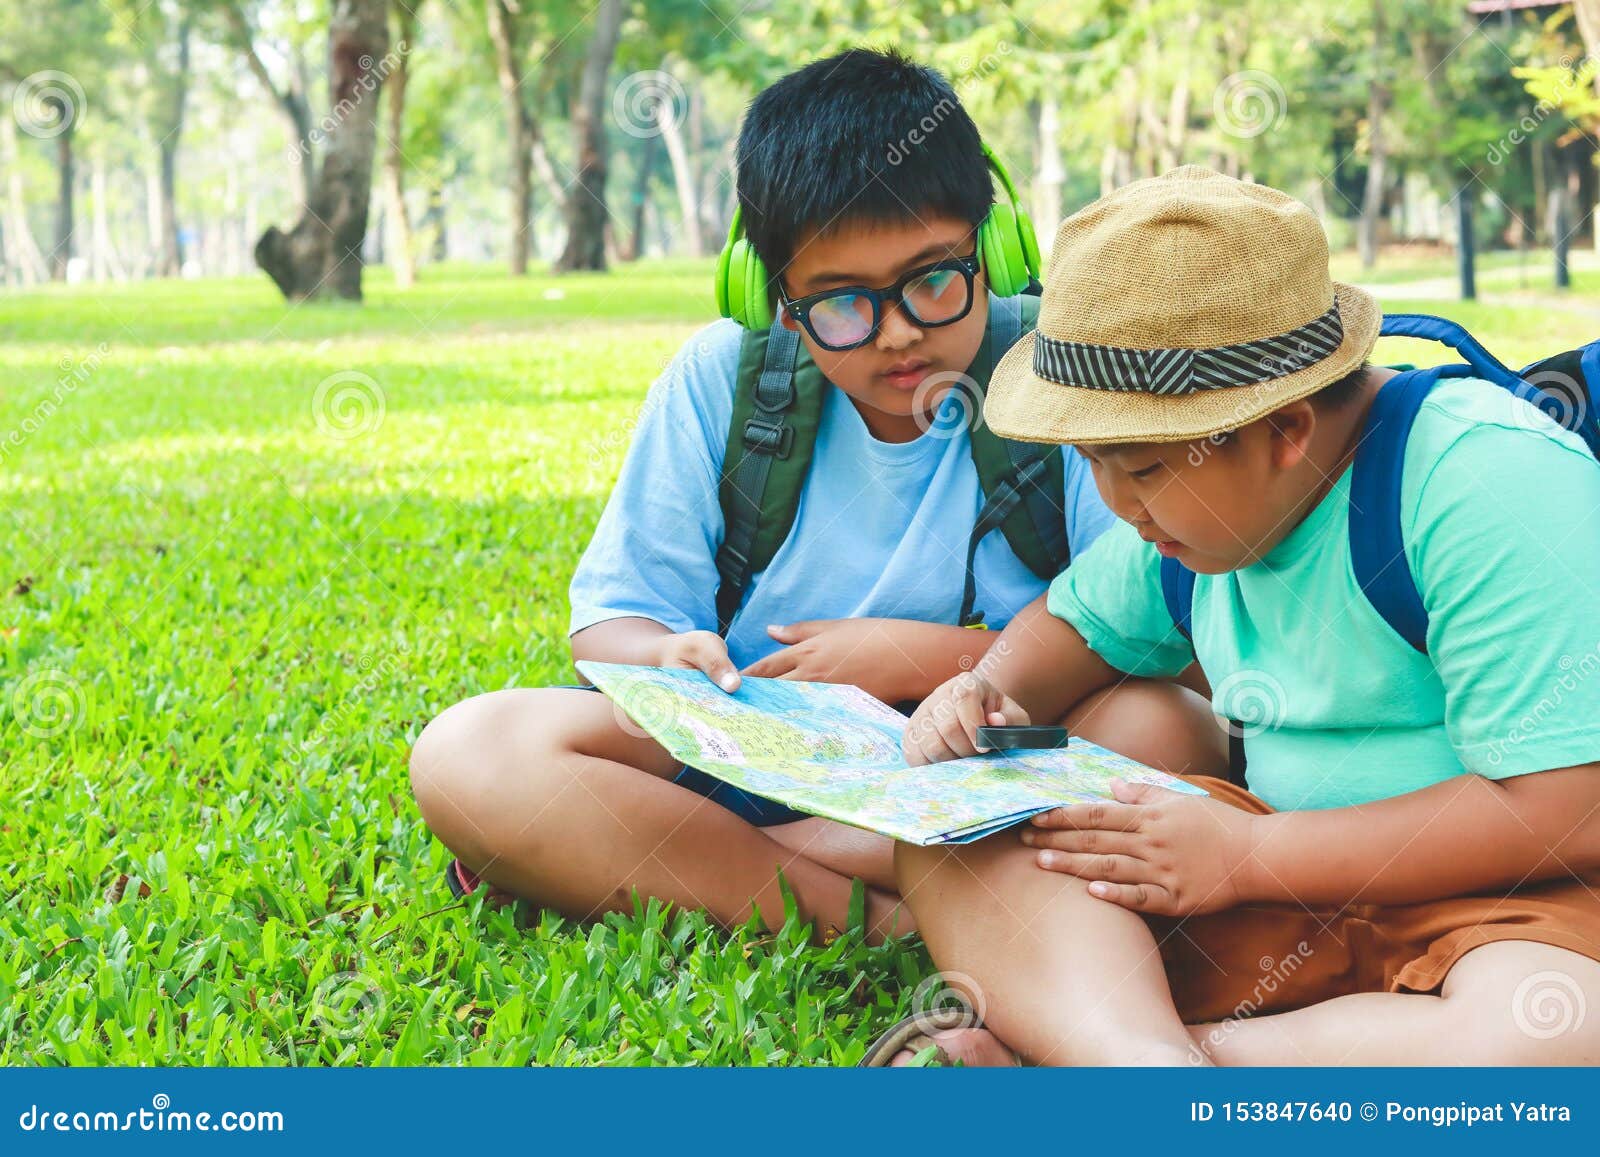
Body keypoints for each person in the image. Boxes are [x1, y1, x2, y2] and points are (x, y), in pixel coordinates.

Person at [408, 50, 1220, 947]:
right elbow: (613, 624)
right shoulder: (724, 379)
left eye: (934, 280)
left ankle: (706, 865)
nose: (899, 333)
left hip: (986, 758)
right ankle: (890, 916)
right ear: (776, 300)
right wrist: (665, 652)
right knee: (472, 750)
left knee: (1165, 727)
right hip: (756, 756)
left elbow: (1158, 646)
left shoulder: (1061, 374)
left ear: (995, 249)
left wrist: (915, 659)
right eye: (841, 304)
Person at [884, 166, 1600, 1065]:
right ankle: (1151, 1068)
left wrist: (1252, 856)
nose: (1118, 504)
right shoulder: (1185, 528)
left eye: (1143, 470)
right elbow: (1071, 628)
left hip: (1510, 901)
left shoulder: (1481, 479)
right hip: (1261, 886)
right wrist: (984, 692)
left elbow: (1566, 809)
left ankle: (1116, 1061)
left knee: (1551, 1028)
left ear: (1285, 429)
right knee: (963, 839)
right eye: (1094, 462)